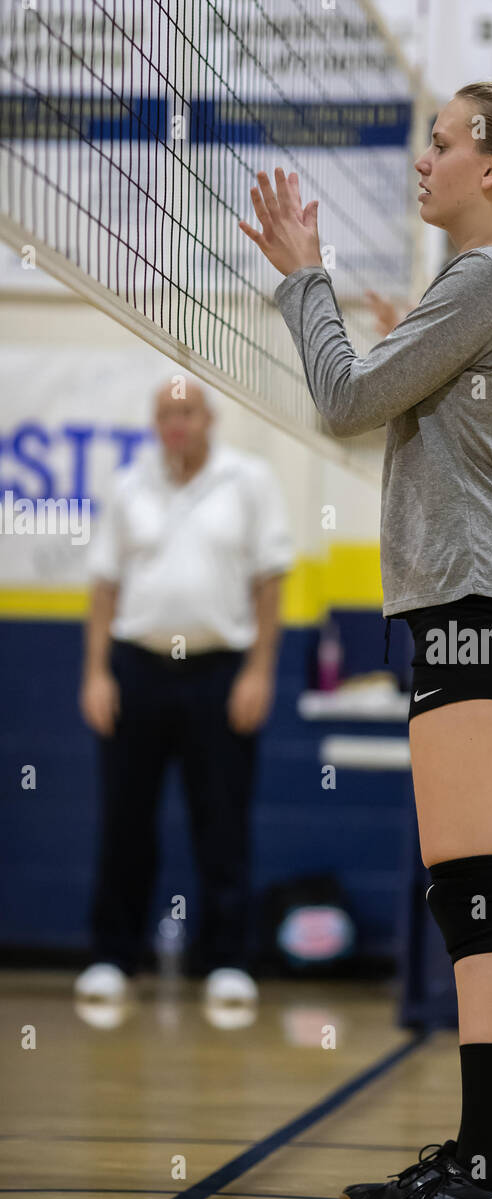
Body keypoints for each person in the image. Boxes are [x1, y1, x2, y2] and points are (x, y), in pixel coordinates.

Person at [240, 82, 492, 1199]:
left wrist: (304, 274)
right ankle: (473, 1151)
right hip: (484, 604)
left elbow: (344, 397)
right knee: (469, 887)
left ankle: (490, 1172)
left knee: (478, 889)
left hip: (488, 607)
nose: (426, 158)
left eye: (443, 142)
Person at [78, 378, 293, 1006]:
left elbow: (269, 585)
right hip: (136, 668)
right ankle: (113, 956)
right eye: (165, 414)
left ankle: (225, 958)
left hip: (219, 670)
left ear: (210, 417)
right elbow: (102, 587)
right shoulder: (128, 485)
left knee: (222, 819)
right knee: (124, 818)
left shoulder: (248, 482)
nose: (176, 424)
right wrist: (95, 674)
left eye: (186, 413)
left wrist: (259, 671)